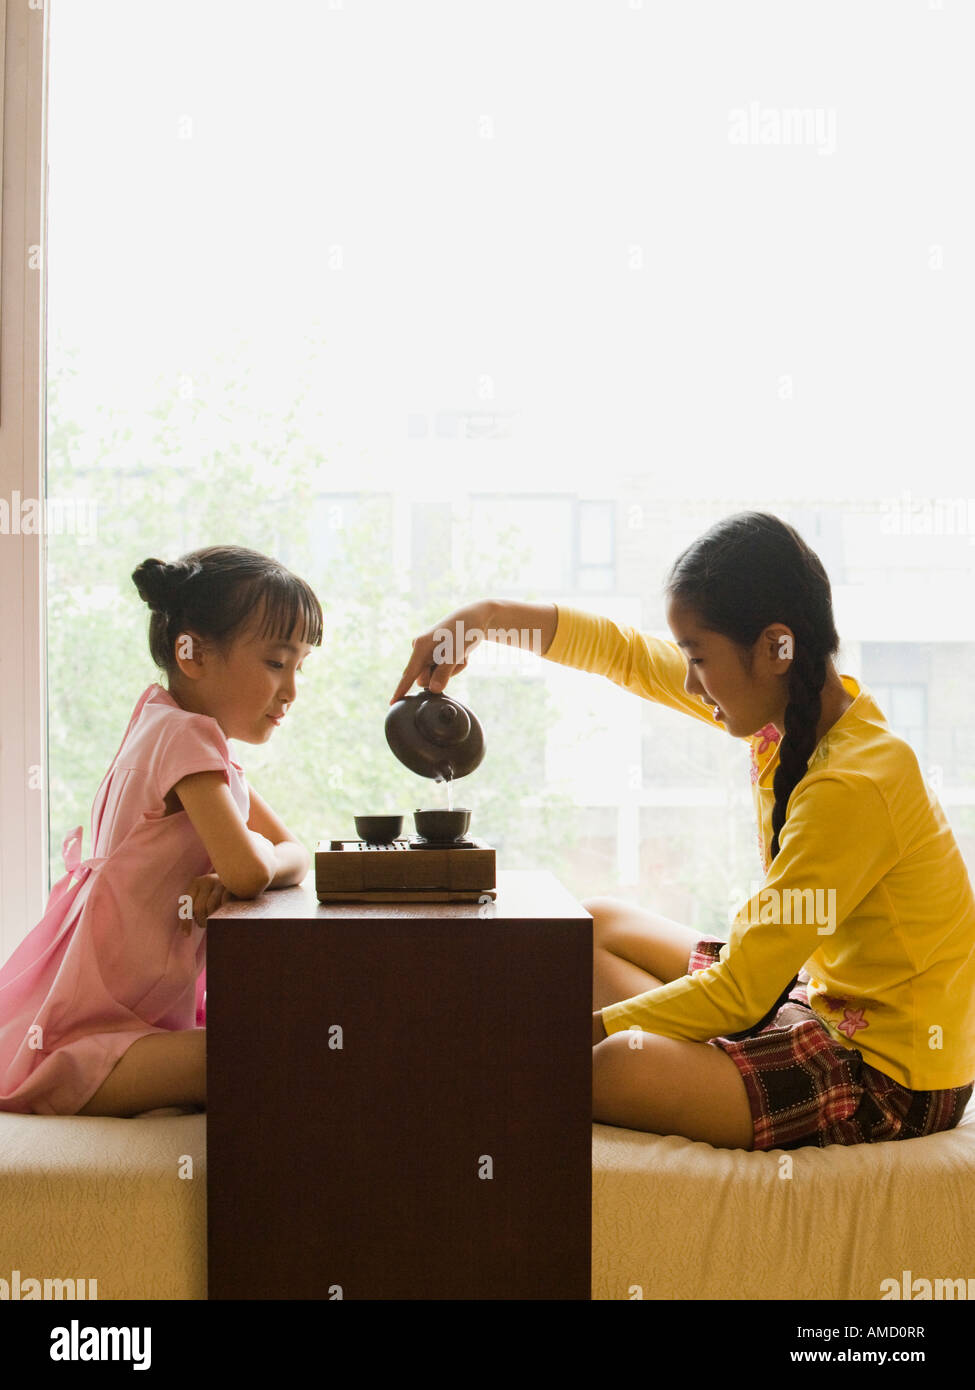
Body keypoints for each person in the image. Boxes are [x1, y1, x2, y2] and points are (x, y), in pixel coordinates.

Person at [391, 511, 975, 1150]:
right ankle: (688, 1046)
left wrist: (566, 1037)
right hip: (809, 997)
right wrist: (488, 617)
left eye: (699, 658)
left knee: (619, 1063)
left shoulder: (854, 781)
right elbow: (624, 654)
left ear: (776, 646)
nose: (693, 683)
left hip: (890, 1074)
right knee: (593, 928)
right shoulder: (795, 716)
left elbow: (743, 993)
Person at [0, 545, 321, 1117]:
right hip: (91, 1046)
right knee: (283, 1053)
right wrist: (244, 867)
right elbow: (257, 867)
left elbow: (294, 851)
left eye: (301, 666)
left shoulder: (161, 722)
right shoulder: (185, 738)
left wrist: (244, 865)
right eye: (276, 662)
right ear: (192, 655)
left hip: (119, 1028)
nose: (292, 689)